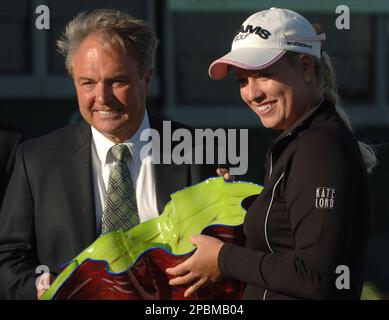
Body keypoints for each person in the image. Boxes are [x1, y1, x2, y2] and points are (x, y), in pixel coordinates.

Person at [0, 9, 228, 300]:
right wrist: (41, 287)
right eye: (88, 83)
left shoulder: (199, 151)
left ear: (147, 78)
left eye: (117, 81)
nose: (102, 98)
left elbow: (227, 255)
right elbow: (8, 258)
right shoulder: (35, 161)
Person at [166, 7, 377, 300]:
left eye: (264, 74)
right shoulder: (300, 140)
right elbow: (280, 247)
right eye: (242, 80)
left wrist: (224, 258)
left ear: (305, 67)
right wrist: (237, 204)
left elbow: (317, 276)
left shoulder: (321, 147)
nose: (252, 93)